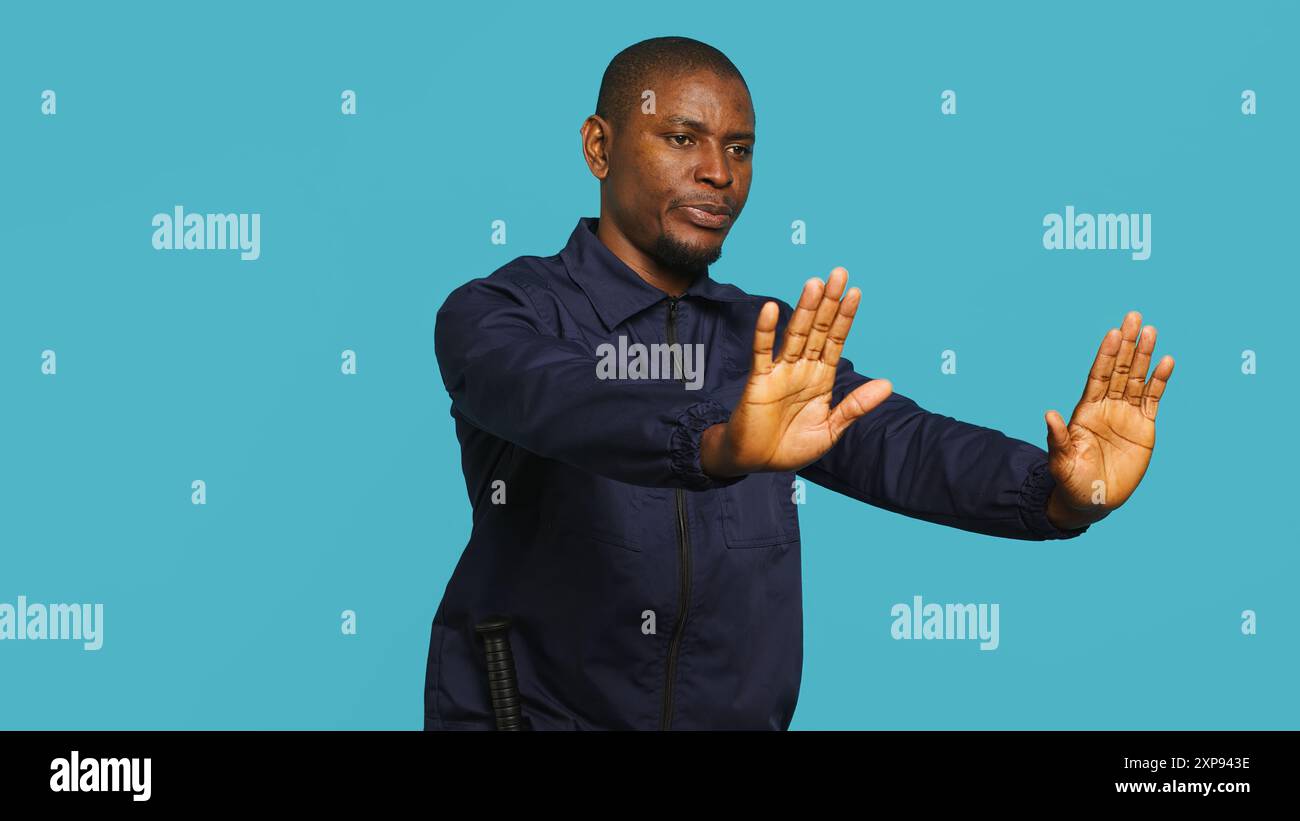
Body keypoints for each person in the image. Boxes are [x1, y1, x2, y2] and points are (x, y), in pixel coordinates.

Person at [425, 36, 1175, 730]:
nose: (719, 171)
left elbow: (898, 442)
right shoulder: (498, 314)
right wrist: (713, 443)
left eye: (739, 148)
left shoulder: (772, 341)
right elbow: (559, 398)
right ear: (599, 146)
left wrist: (1057, 491)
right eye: (682, 138)